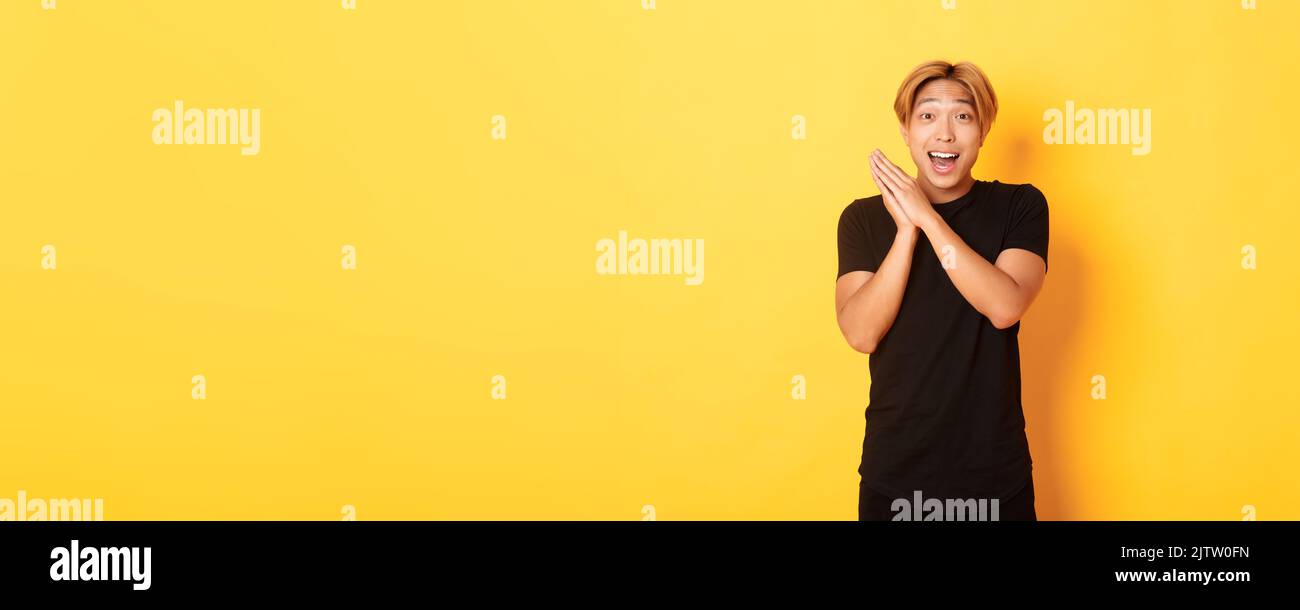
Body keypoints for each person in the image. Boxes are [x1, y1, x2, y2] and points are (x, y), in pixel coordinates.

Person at [835, 60, 1049, 521]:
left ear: (984, 130)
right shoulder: (862, 219)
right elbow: (861, 334)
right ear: (906, 131)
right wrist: (906, 231)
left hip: (994, 475)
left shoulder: (1020, 205)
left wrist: (928, 219)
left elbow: (1005, 306)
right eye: (928, 116)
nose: (945, 134)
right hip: (894, 474)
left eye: (963, 116)